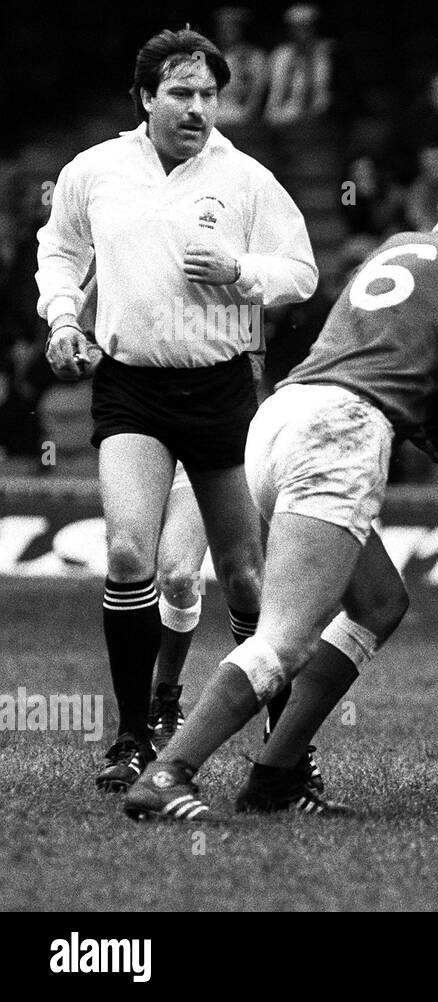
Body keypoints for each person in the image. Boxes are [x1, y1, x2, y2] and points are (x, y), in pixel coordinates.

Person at [123, 158, 438, 821]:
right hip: (340, 432)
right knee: (285, 640)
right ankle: (169, 773)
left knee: (380, 602)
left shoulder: (398, 249)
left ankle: (275, 776)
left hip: (279, 418)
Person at [36, 27, 318, 792]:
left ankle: (285, 758)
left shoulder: (248, 178)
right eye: (182, 94)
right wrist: (64, 317)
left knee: (248, 581)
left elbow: (301, 270)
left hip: (221, 389)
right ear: (146, 97)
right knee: (131, 556)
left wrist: (241, 270)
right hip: (131, 387)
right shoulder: (94, 170)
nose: (197, 109)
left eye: (208, 96)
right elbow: (60, 250)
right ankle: (132, 740)